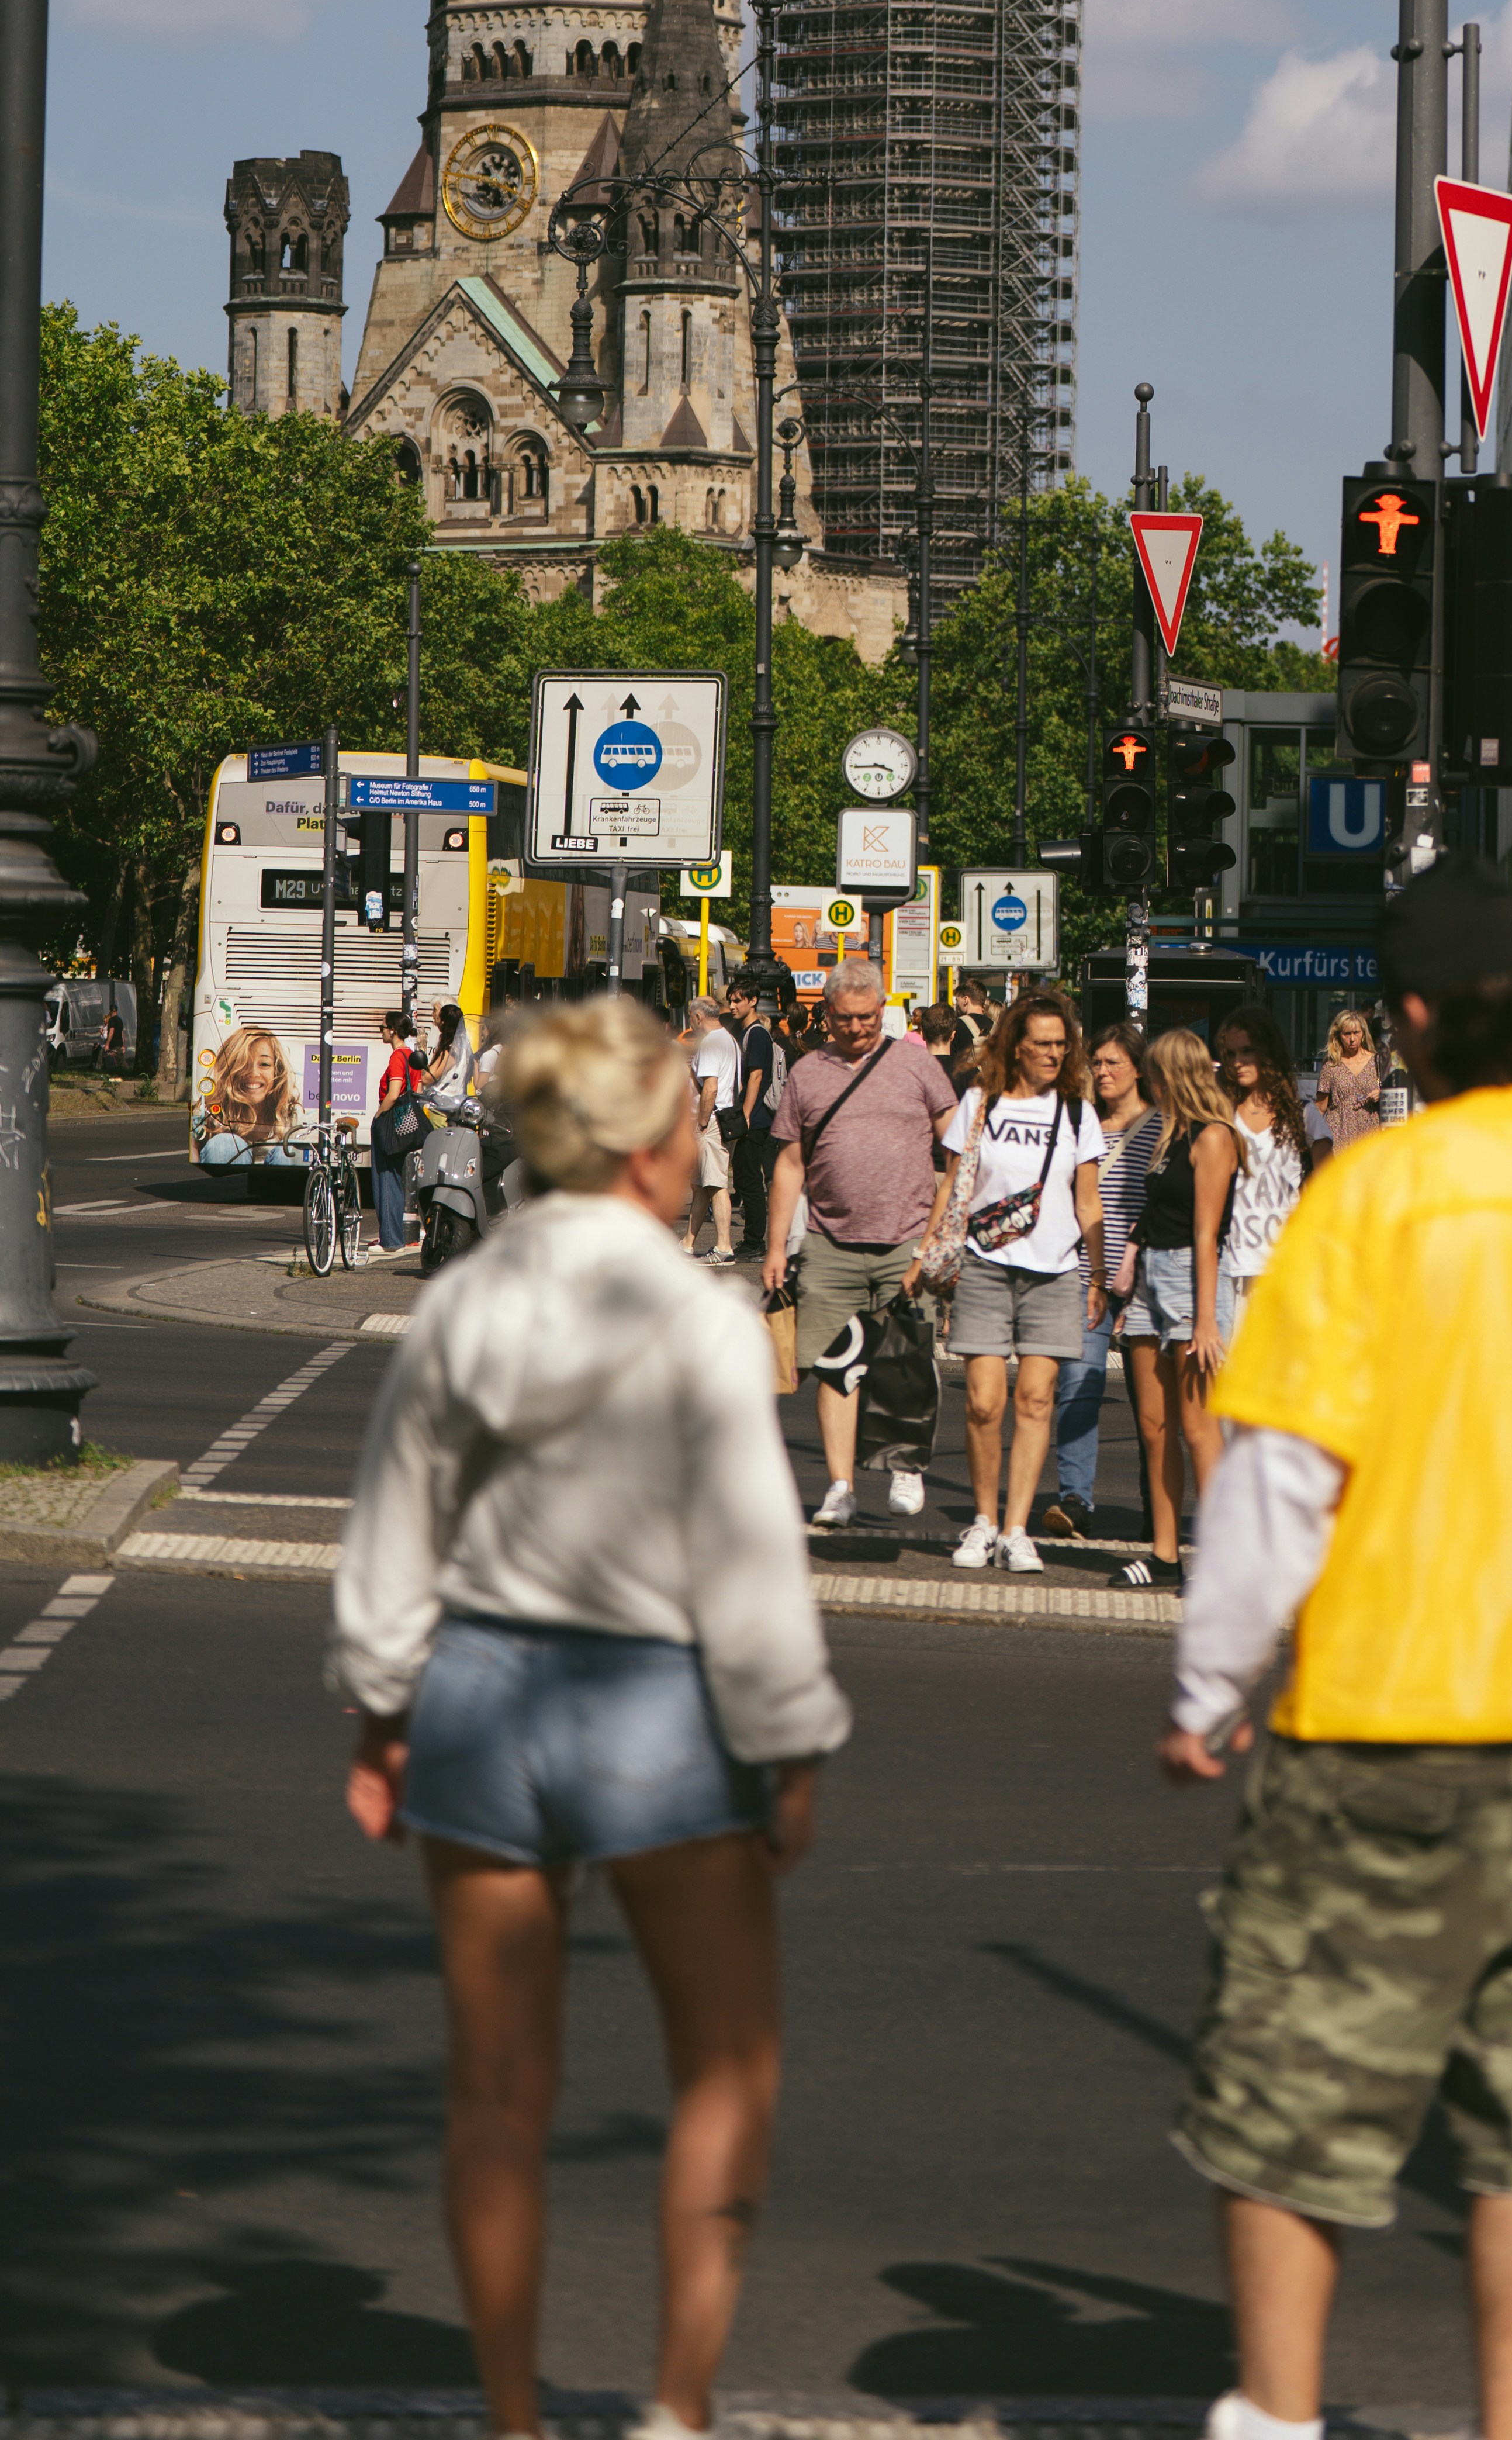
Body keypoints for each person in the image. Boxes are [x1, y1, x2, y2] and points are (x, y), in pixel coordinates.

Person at [1157, 852, 1512, 2440]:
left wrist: (1208, 1692)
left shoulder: (1366, 1203)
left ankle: (1273, 2414)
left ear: (1406, 1019)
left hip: (1375, 1710)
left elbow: (1278, 1476)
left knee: (1293, 2089)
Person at [328, 997, 849, 2440]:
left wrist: (382, 1709)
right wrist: (790, 1741)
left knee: (496, 2088)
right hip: (655, 1697)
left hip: (484, 1691)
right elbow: (749, 1557)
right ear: (641, 1148)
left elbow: (396, 1526)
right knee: (727, 2063)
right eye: (689, 1120)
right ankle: (676, 2407)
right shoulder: (696, 1313)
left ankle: (513, 2418)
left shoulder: (468, 1301)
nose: (702, 1141)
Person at [905, 990, 1105, 1574]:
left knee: (1036, 1398)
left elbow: (1087, 1201)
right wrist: (926, 1252)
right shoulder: (980, 1102)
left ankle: (1017, 1529)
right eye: (1041, 1043)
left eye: (1060, 1043)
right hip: (984, 1265)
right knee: (985, 1403)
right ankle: (984, 1521)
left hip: (1056, 1270)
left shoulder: (1077, 1112)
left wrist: (1096, 1273)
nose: (1053, 1052)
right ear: (1016, 1046)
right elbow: (952, 1185)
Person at [762, 959, 957, 1527]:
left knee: (903, 1358)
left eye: (867, 1017)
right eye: (845, 1018)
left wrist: (941, 1234)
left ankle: (903, 1465)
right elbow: (790, 1162)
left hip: (907, 1238)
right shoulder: (808, 1073)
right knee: (834, 1365)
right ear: (827, 1013)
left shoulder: (915, 1063)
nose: (856, 1028)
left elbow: (956, 1148)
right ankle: (841, 1487)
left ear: (882, 1010)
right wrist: (777, 1246)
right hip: (829, 1239)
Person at [1120, 1029, 1240, 1589]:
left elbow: (1206, 1232)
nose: (1147, 1081)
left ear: (1175, 1073)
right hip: (1150, 1282)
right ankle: (1164, 1555)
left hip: (1191, 1283)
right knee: (1153, 1426)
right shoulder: (1165, 1132)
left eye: (1154, 1072)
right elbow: (1155, 1213)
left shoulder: (1214, 1137)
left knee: (1199, 1430)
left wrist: (1207, 1319)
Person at [1044, 1020, 1160, 1540]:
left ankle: (1155, 1504)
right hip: (1086, 1276)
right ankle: (1075, 1499)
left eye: (1114, 1062)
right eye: (1097, 1062)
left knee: (1151, 1403)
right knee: (1076, 1387)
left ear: (1138, 1068)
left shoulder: (1163, 1127)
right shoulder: (1081, 1125)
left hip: (1147, 1282)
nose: (1103, 1071)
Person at [1218, 1004, 1309, 1322]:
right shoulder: (1220, 1115)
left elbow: (1327, 1191)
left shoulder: (1303, 1116)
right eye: (1230, 1054)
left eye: (1247, 1051)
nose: (1237, 1063)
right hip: (1229, 1266)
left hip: (1284, 1267)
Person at [726, 971, 786, 1259]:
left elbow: (757, 1075)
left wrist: (746, 1116)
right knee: (746, 1180)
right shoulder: (747, 1032)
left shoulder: (757, 1034)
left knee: (750, 1183)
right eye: (731, 1001)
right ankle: (753, 1240)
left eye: (739, 1000)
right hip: (754, 1117)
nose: (733, 1005)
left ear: (753, 1001)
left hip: (756, 1120)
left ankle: (754, 1242)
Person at [680, 997, 740, 1267]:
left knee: (716, 1185)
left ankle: (724, 1247)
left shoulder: (712, 1043)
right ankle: (687, 1243)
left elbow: (711, 1088)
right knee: (702, 1185)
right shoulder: (727, 1039)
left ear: (698, 1018)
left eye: (691, 1019)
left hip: (711, 1121)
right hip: (721, 1118)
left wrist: (702, 1123)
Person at [196, 1022, 302, 1169]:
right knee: (224, 1143)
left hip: (280, 1179)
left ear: (276, 1071)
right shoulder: (209, 1113)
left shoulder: (291, 1114)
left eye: (264, 1064)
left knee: (290, 1149)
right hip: (230, 1179)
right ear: (230, 1069)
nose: (253, 1073)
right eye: (243, 1063)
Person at [372, 1010, 424, 1253]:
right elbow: (418, 1087)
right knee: (396, 1177)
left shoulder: (397, 1057)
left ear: (393, 1030)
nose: (381, 1031)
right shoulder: (412, 1056)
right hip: (407, 1124)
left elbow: (394, 1094)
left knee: (385, 1177)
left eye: (383, 1027)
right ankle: (394, 1237)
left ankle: (391, 1239)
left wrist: (379, 1115)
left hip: (390, 1122)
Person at [1314, 1012, 1380, 1152]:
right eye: (1347, 1034)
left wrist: (1382, 1094)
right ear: (1339, 1035)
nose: (1352, 1039)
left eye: (1356, 1033)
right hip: (1339, 1136)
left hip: (1370, 1134)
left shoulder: (1377, 1063)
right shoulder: (1331, 1067)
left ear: (1363, 1034)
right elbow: (1320, 1108)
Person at [425, 1001, 471, 1109]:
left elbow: (428, 1077)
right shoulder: (463, 1044)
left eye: (436, 1011)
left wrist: (423, 1050)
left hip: (443, 1105)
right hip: (454, 1103)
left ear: (444, 1022)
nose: (434, 1016)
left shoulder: (452, 1050)